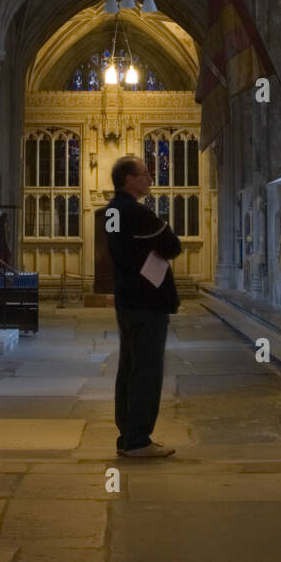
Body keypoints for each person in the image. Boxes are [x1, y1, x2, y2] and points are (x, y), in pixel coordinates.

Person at [104, 154, 182, 458]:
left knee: (129, 367)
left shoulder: (111, 212)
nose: (150, 178)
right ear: (129, 179)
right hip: (147, 301)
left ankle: (127, 434)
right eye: (145, 173)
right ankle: (139, 440)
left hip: (126, 298)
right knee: (147, 370)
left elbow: (118, 248)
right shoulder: (135, 212)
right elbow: (172, 245)